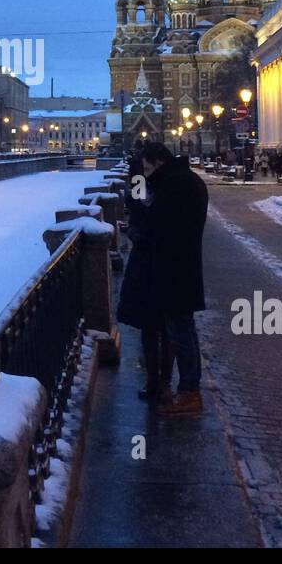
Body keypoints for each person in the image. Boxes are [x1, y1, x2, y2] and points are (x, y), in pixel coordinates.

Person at [140, 142, 209, 417]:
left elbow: (162, 224)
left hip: (175, 268)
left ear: (158, 163)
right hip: (185, 266)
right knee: (186, 330)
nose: (144, 175)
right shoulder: (187, 180)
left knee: (180, 333)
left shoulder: (174, 185)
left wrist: (148, 207)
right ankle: (190, 389)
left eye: (147, 168)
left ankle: (190, 392)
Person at [117, 152, 173, 404]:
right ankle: (155, 381)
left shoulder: (168, 187)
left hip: (160, 263)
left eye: (151, 165)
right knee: (152, 327)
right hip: (149, 264)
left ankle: (164, 382)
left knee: (163, 327)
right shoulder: (142, 187)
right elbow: (136, 218)